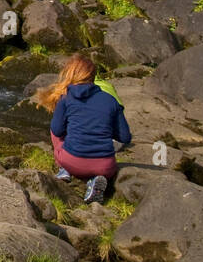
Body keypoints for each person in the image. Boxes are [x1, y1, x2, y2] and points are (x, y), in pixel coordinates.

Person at [34, 53, 131, 204]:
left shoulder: (65, 98)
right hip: (105, 167)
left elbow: (58, 130)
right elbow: (125, 137)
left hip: (72, 161)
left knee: (55, 129)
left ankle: (64, 170)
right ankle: (93, 181)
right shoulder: (110, 100)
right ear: (93, 76)